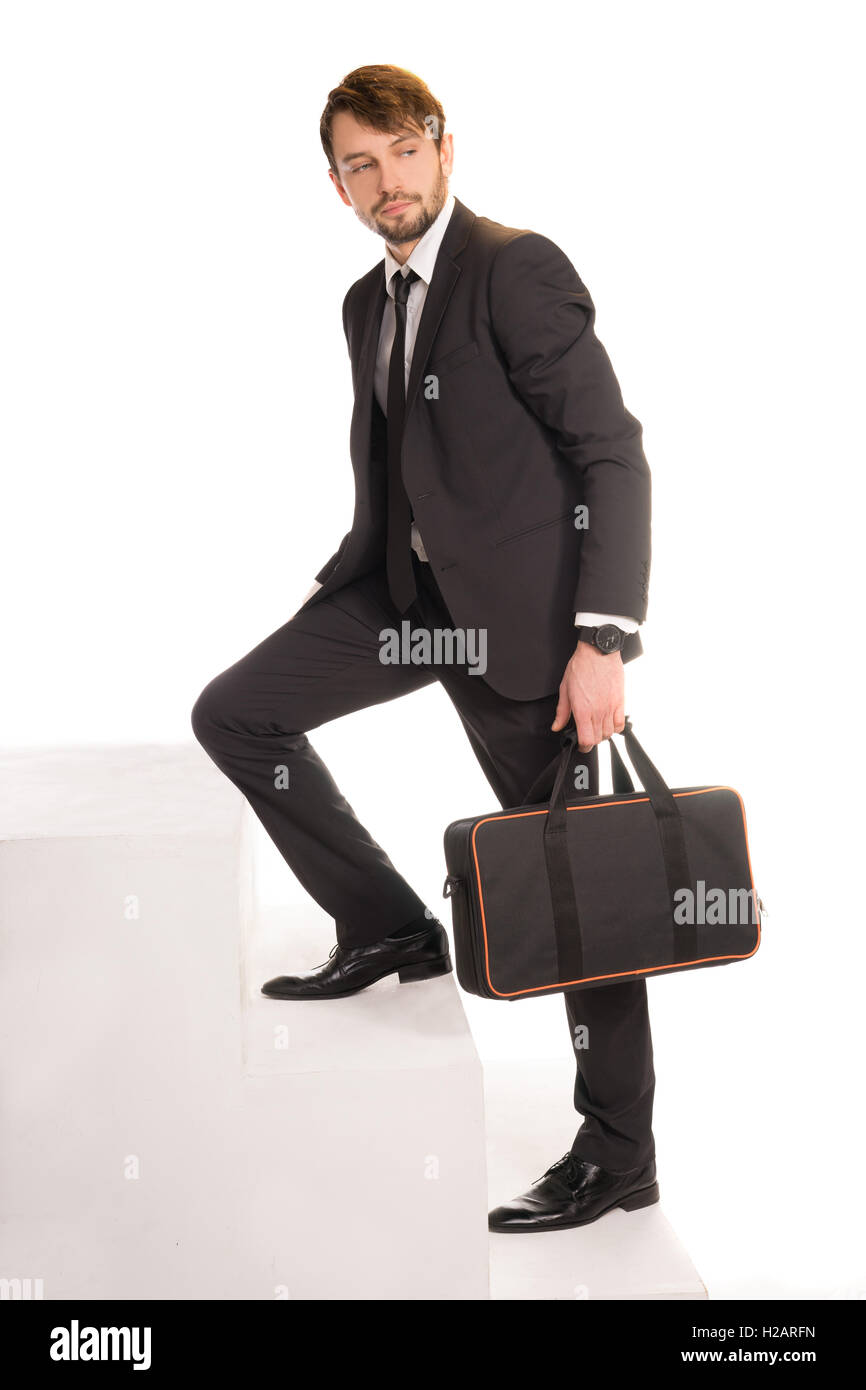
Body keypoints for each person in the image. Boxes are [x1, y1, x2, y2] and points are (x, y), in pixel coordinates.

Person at [191, 64, 657, 1233]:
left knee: (580, 887)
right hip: (403, 603)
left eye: (401, 150)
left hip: (530, 634)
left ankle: (618, 1152)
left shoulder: (512, 268)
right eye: (359, 162)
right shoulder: (364, 301)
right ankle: (391, 921)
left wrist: (600, 638)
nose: (385, 179)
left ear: (443, 150)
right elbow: (399, 462)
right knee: (236, 713)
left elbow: (611, 456)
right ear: (336, 186)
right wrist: (347, 576)